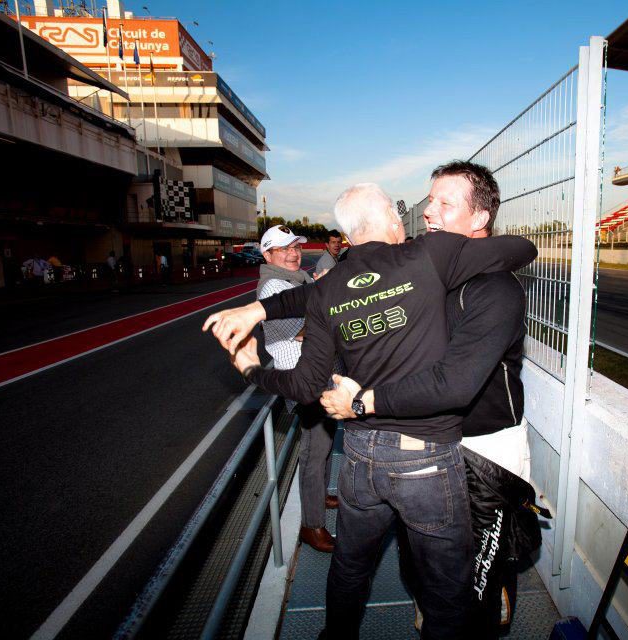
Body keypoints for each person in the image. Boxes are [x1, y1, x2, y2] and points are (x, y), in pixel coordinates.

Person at [204, 183, 536, 639]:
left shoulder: (329, 287)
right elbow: (521, 249)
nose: (423, 214)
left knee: (350, 568)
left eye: (442, 203)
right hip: (425, 458)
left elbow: (304, 384)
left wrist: (251, 366)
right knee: (447, 590)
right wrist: (259, 312)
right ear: (393, 222)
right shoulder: (428, 256)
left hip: (361, 455)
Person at [256, 223, 340, 553]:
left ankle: (320, 495)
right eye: (284, 249)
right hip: (302, 376)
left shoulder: (298, 279)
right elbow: (301, 329)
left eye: (295, 247)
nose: (293, 253)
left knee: (325, 439)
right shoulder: (274, 285)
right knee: (314, 450)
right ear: (267, 255)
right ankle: (311, 525)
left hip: (316, 371)